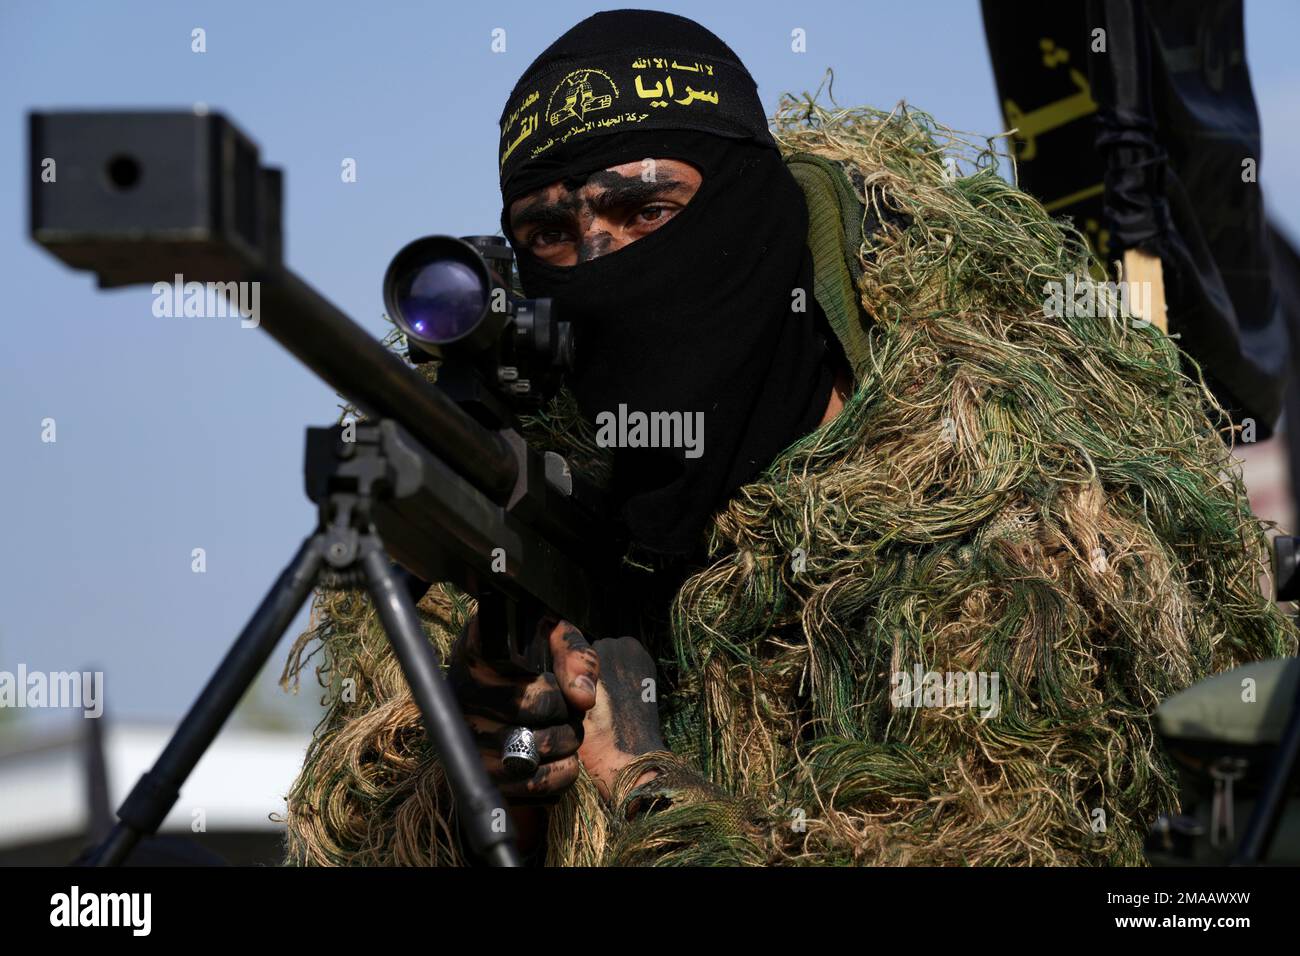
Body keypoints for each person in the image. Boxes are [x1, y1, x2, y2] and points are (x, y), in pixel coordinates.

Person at [283, 9, 1295, 866]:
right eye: (550, 234)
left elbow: (984, 840)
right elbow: (350, 838)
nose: (598, 264)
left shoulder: (982, 492)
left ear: (746, 212)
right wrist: (474, 752)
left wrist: (645, 791)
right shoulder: (485, 472)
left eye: (643, 209)